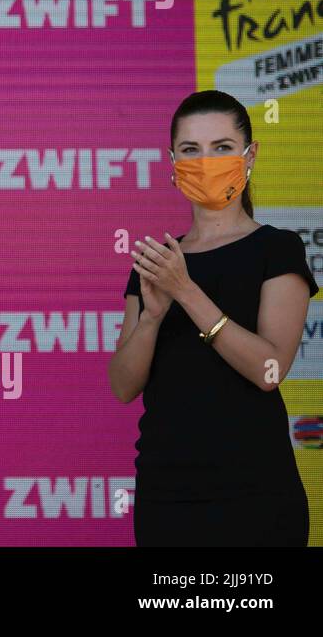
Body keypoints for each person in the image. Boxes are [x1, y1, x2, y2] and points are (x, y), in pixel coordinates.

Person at [109, 90, 316, 546]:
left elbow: (269, 370)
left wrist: (186, 291)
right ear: (172, 162)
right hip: (166, 496)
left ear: (250, 155)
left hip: (256, 492)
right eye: (190, 150)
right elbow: (123, 386)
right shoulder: (155, 262)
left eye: (222, 148)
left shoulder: (277, 249)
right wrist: (151, 318)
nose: (206, 162)